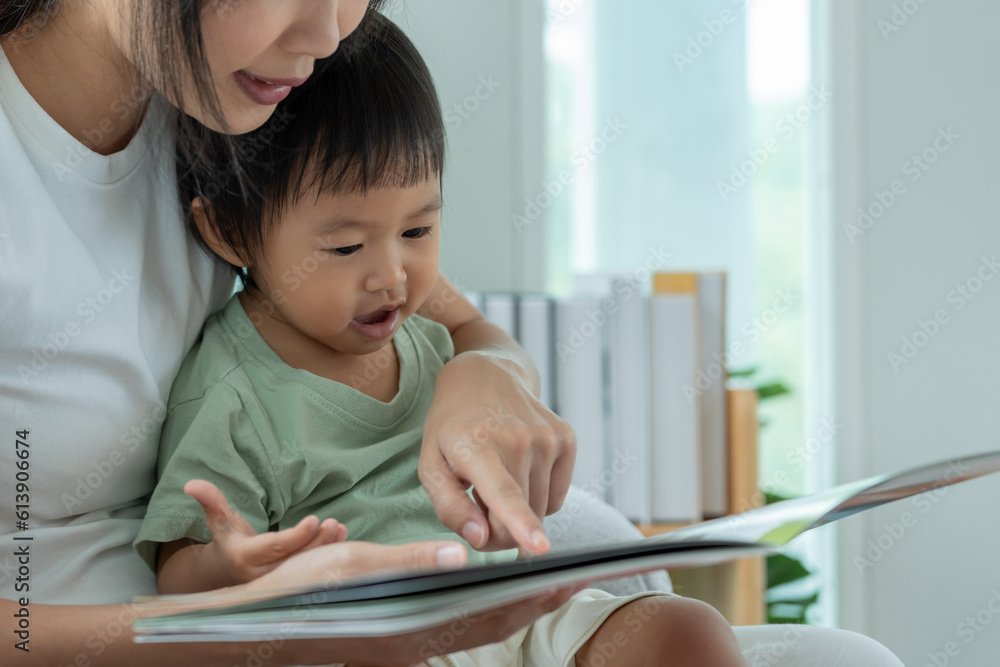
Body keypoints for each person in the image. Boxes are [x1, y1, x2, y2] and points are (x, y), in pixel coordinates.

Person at [135, 14, 748, 666]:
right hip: (374, 641)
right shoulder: (232, 391)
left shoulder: (426, 325)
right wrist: (227, 568)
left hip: (506, 609)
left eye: (419, 230)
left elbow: (483, 344)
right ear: (230, 230)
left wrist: (488, 368)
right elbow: (179, 575)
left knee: (688, 630)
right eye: (345, 246)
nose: (393, 275)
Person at [0, 1, 583, 664]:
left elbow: (459, 323)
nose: (330, 32)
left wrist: (492, 369)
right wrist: (241, 627)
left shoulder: (227, 101)